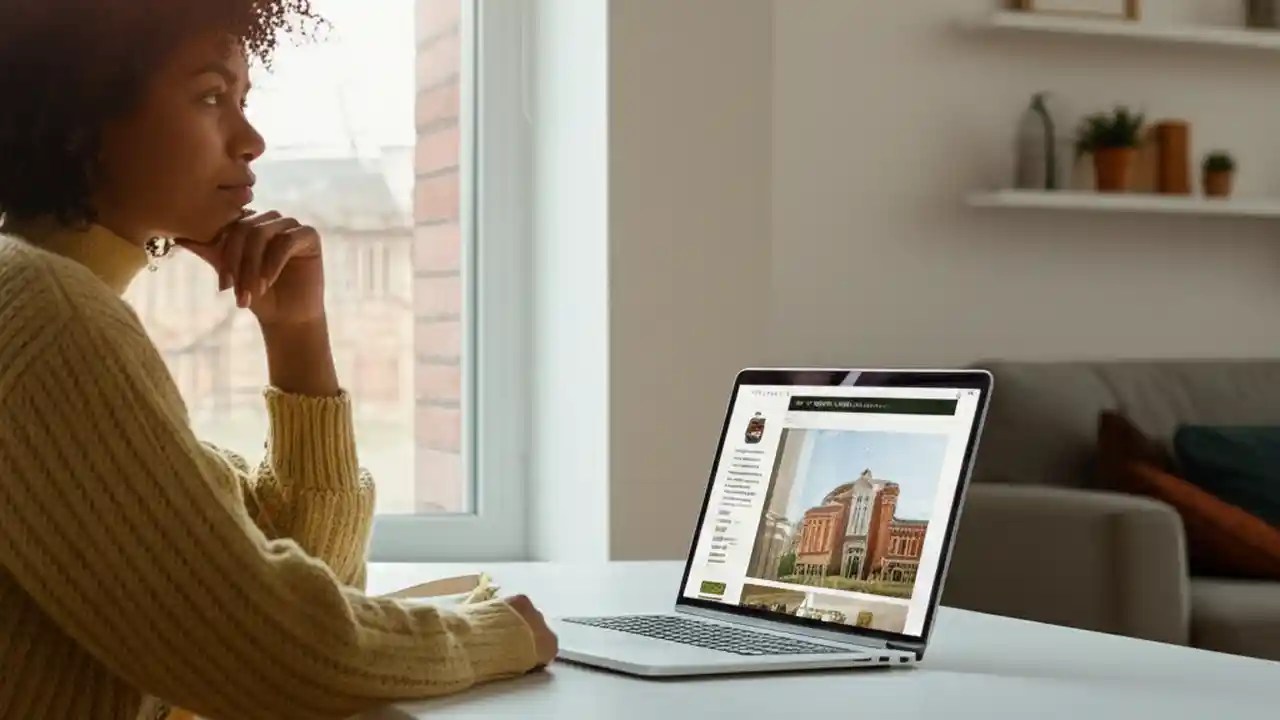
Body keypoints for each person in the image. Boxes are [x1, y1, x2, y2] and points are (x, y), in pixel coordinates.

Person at [0, 2, 557, 718]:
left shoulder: (50, 303)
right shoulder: (45, 316)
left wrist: (297, 334)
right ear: (85, 116)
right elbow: (278, 655)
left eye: (243, 101)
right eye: (209, 97)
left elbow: (309, 585)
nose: (251, 139)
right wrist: (494, 635)